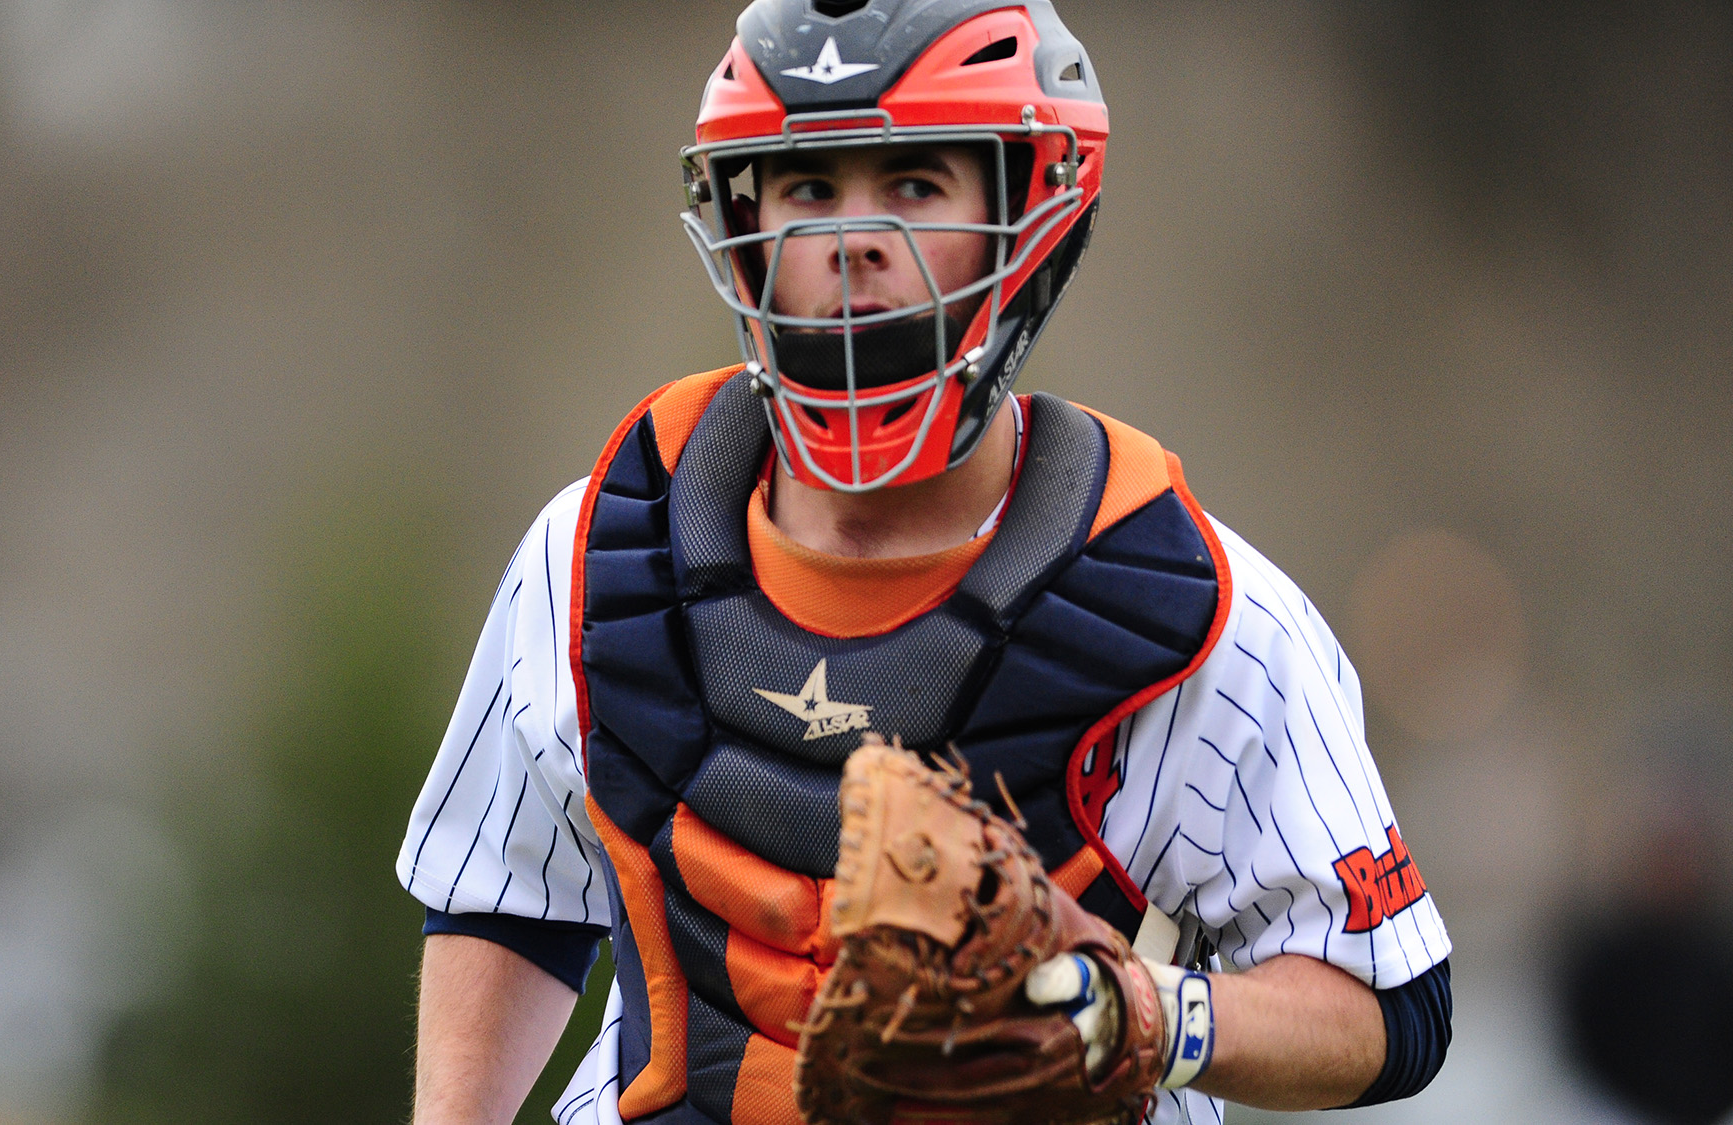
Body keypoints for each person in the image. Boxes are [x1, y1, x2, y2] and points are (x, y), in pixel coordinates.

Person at [400, 3, 1452, 1123]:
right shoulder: (597, 550)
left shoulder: (1192, 607)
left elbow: (1391, 1009)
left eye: (912, 183)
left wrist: (1149, 1015)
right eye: (807, 188)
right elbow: (503, 897)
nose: (852, 240)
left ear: (1025, 212)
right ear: (745, 225)